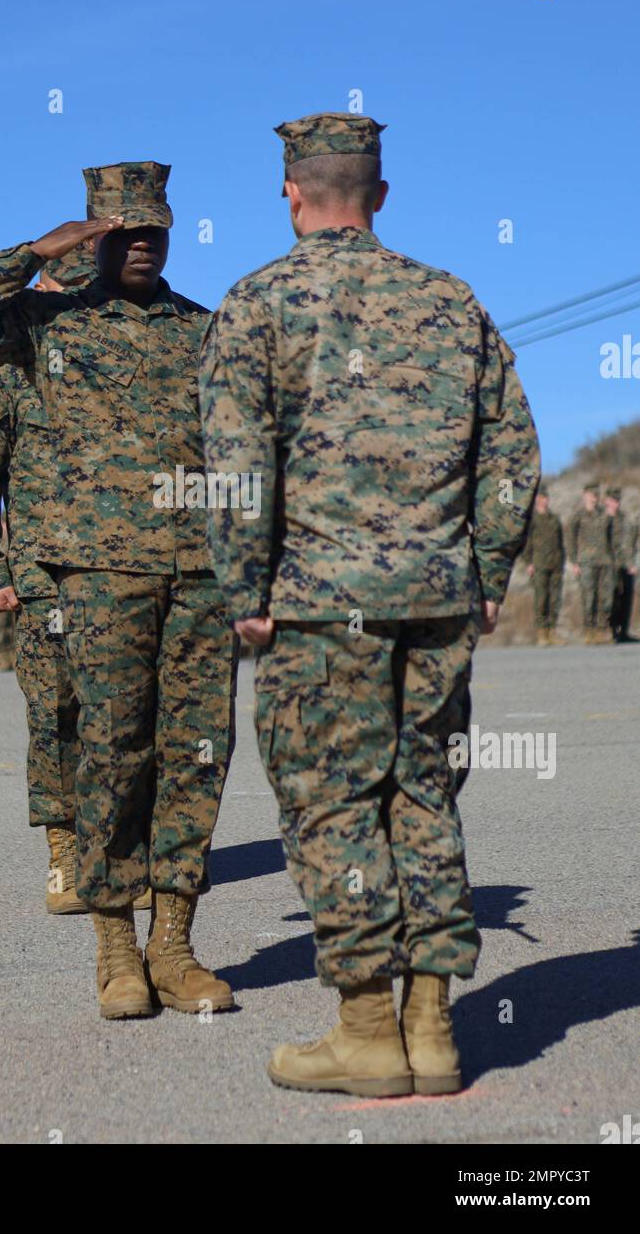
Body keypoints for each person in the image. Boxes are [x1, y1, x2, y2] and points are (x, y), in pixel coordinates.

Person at [200, 112, 540, 1095]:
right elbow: (509, 453)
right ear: (378, 196)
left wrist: (242, 588)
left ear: (290, 193)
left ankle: (362, 1031)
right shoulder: (450, 299)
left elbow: (232, 463)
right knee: (422, 791)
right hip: (433, 596)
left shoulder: (257, 301)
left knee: (331, 803)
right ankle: (430, 1029)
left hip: (316, 603)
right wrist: (482, 570)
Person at [0, 161, 237, 1020]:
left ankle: (172, 944)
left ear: (172, 233)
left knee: (197, 755)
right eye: (120, 231)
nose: (140, 243)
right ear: (94, 239)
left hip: (201, 576)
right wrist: (32, 252)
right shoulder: (44, 323)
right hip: (94, 577)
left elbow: (253, 450)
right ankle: (113, 949)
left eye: (153, 229)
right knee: (107, 750)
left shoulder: (206, 331)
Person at [0, 249, 156, 914]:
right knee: (56, 717)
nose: (72, 294)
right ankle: (66, 855)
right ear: (40, 286)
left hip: (125, 570)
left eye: (82, 284)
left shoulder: (117, 363)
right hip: (43, 579)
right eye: (61, 284)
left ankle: (125, 853)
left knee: (128, 715)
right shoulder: (7, 376)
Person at [568, 484, 612, 643]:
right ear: (585, 495)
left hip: (604, 560)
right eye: (591, 494)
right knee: (589, 597)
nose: (594, 497)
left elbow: (611, 537)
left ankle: (602, 630)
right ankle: (589, 630)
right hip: (586, 561)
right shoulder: (578, 516)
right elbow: (571, 539)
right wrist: (573, 561)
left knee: (605, 597)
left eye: (596, 494)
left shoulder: (604, 514)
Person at [524, 487, 566, 645]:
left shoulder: (554, 519)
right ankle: (542, 633)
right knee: (541, 598)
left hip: (555, 563)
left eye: (545, 498)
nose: (544, 501)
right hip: (539, 563)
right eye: (541, 498)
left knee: (555, 598)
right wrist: (528, 562)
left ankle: (552, 631)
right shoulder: (531, 520)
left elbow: (560, 542)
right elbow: (526, 543)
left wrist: (562, 561)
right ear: (536, 500)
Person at [604, 487, 637, 643]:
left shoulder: (624, 519)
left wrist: (631, 561)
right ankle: (610, 631)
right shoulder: (601, 519)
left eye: (617, 501)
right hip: (608, 565)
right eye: (612, 501)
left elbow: (631, 540)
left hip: (625, 563)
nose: (615, 504)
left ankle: (623, 631)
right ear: (607, 501)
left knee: (627, 598)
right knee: (611, 598)